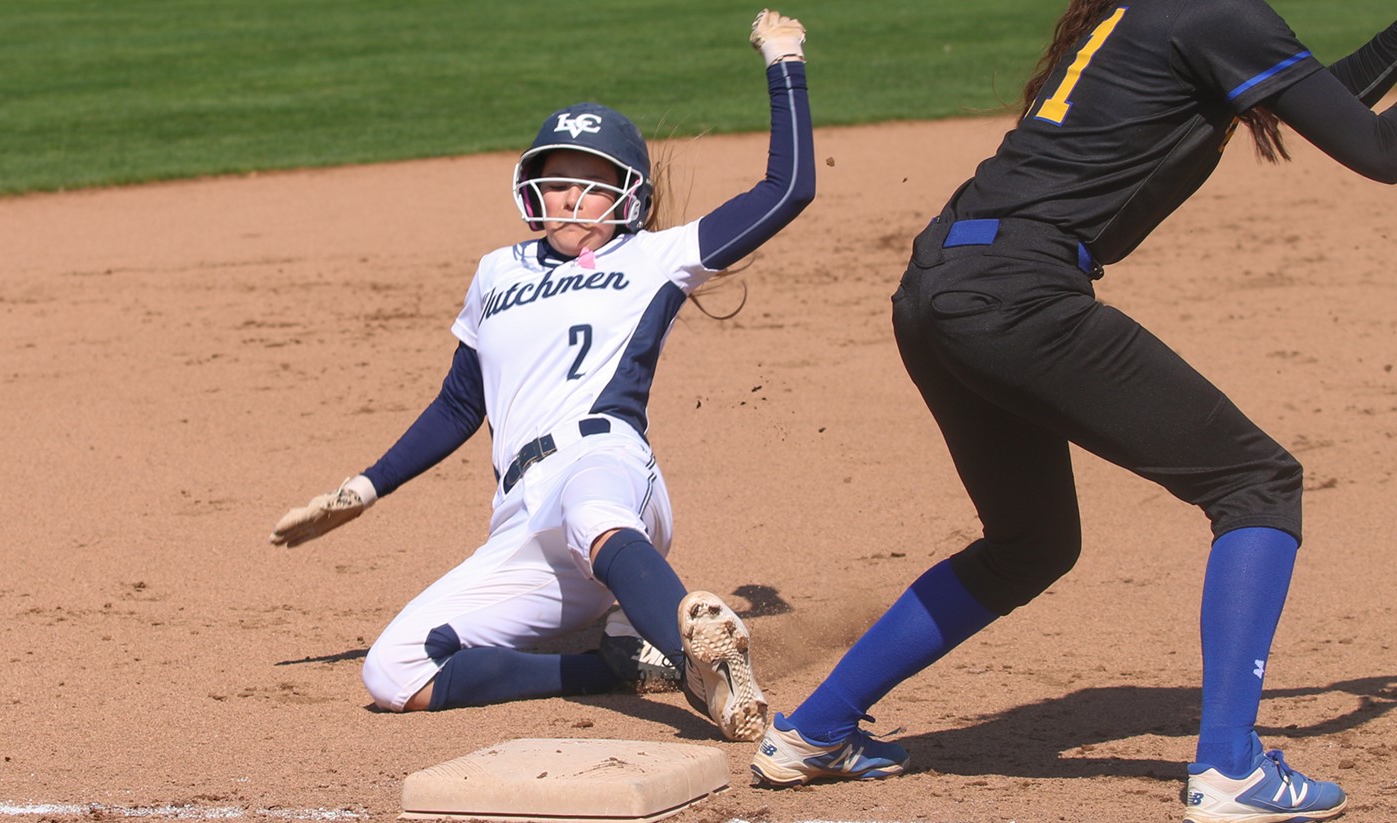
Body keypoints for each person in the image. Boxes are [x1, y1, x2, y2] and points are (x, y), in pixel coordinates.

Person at [751, 1, 1396, 820]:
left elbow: (1327, 107)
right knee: (1255, 482)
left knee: (1030, 543)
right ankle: (1231, 768)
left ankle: (814, 729)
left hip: (939, 282)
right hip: (1019, 295)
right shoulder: (1221, 14)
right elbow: (1380, 151)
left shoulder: (1156, 12)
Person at [268, 9, 813, 743]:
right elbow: (460, 402)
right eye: (555, 182)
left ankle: (706, 671)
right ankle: (622, 664)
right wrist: (362, 488)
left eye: (590, 185)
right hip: (522, 520)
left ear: (630, 196)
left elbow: (787, 189)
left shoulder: (654, 257)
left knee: (590, 506)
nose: (568, 198)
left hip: (608, 465)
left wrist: (784, 59)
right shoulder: (496, 271)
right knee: (392, 672)